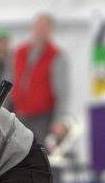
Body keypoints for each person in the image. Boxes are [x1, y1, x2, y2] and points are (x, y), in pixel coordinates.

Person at [10, 13, 69, 146]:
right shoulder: (20, 52)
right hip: (19, 114)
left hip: (43, 118)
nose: (40, 30)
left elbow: (62, 92)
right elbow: (10, 82)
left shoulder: (56, 56)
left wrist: (58, 120)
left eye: (45, 27)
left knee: (39, 154)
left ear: (51, 31)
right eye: (38, 26)